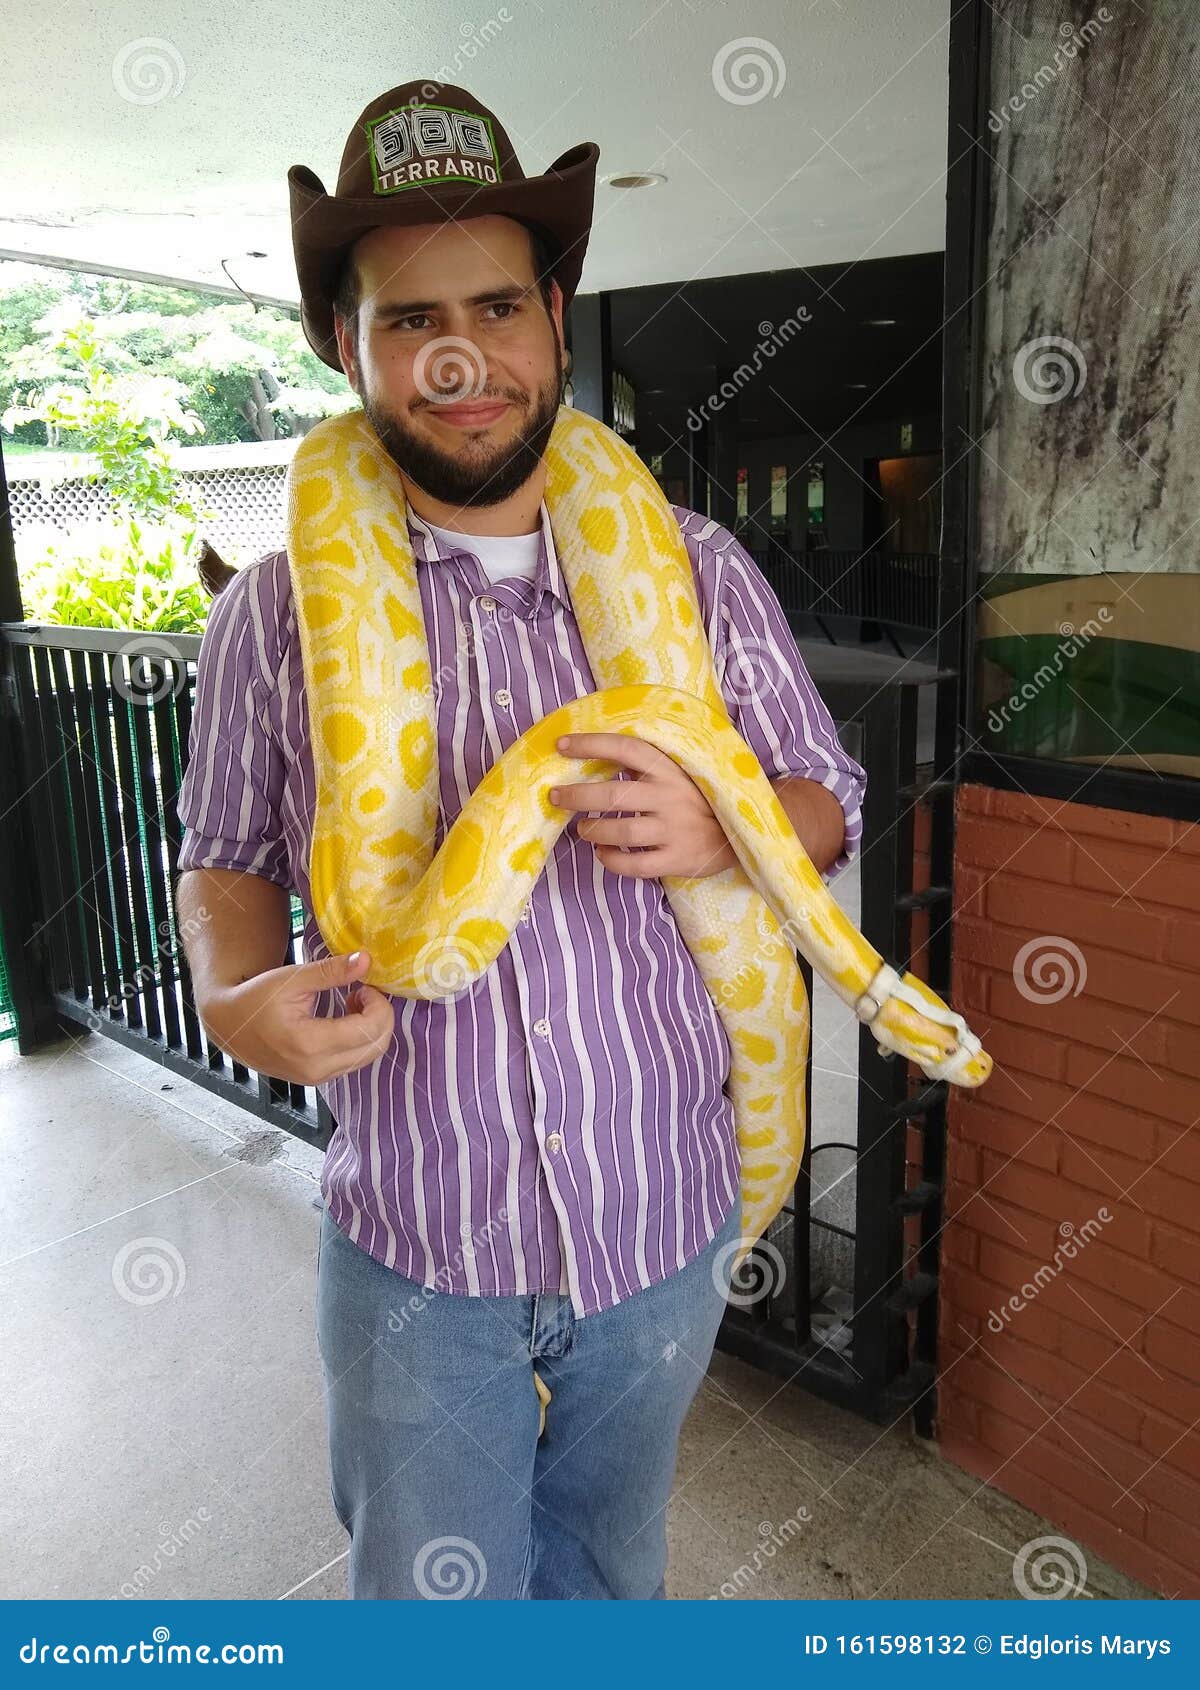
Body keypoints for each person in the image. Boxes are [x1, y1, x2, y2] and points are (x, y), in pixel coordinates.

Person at [174, 80, 867, 1601]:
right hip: (420, 1238)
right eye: (406, 316)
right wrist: (235, 1003)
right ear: (338, 345)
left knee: (613, 1575)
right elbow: (223, 856)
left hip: (663, 1222)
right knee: (435, 1604)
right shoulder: (271, 612)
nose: (456, 354)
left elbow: (826, 795)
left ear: (556, 318)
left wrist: (729, 828)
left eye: (497, 304)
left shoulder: (695, 567)